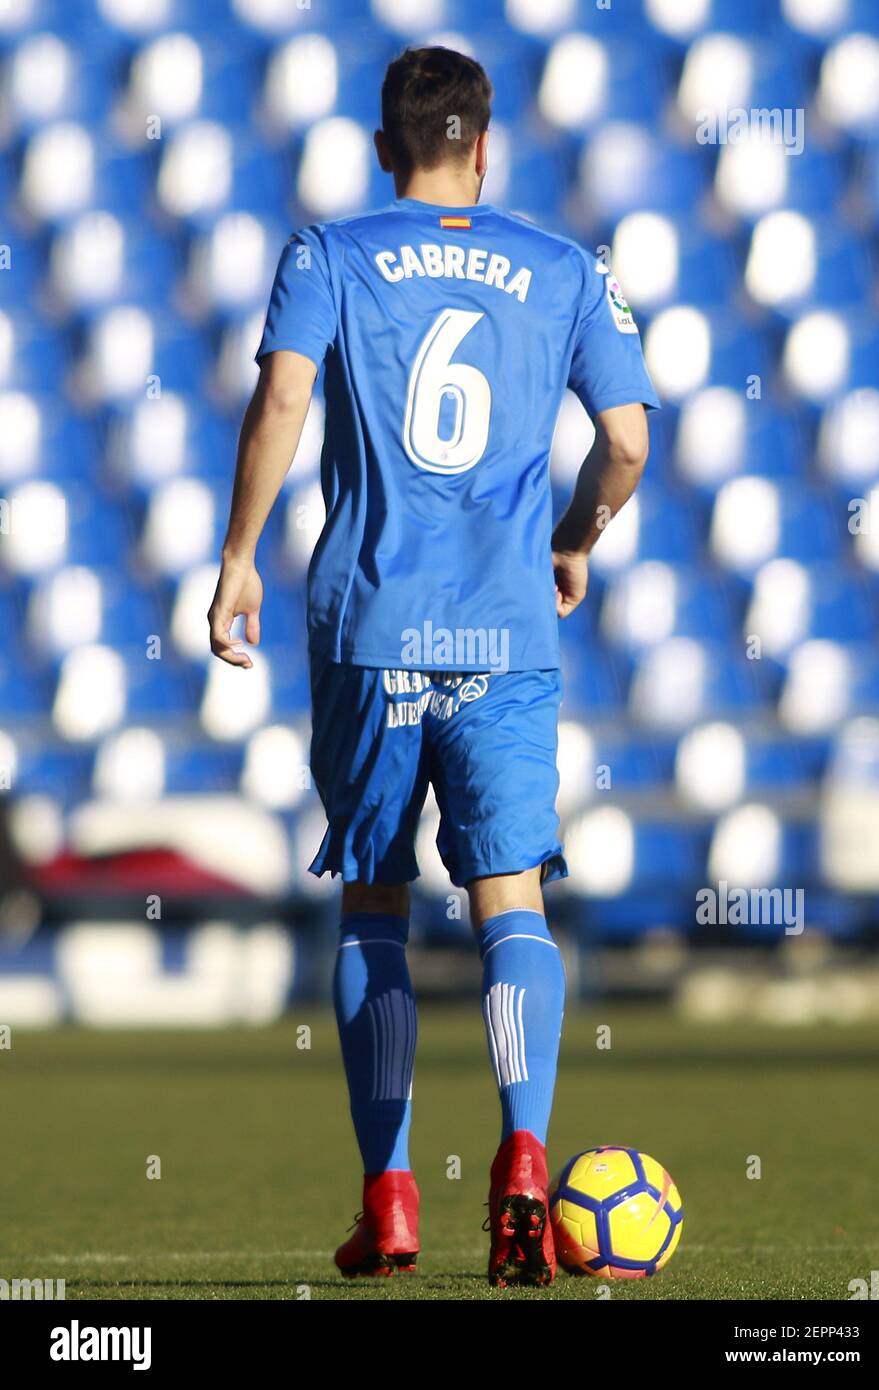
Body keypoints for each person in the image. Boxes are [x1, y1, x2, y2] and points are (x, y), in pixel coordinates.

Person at [208, 45, 658, 1287]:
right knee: (508, 894)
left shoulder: (330, 253)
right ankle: (523, 1155)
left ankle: (391, 1193)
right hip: (505, 631)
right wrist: (574, 539)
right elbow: (624, 440)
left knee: (373, 901)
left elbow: (284, 401)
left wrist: (240, 553)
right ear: (487, 140)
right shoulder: (564, 267)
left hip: (370, 625)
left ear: (379, 145)